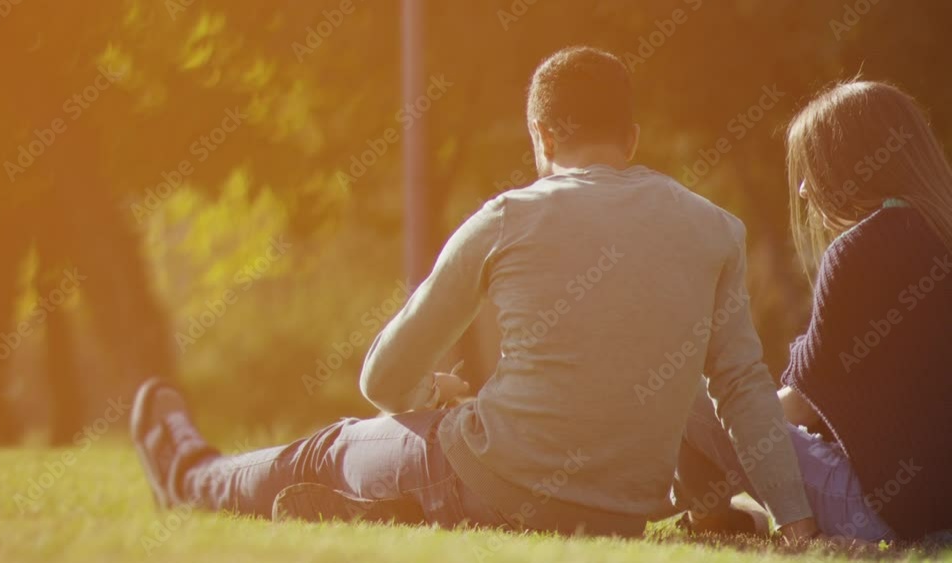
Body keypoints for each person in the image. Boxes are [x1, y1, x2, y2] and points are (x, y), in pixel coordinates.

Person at [131, 46, 820, 540]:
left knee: (325, 447)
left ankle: (188, 473)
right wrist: (797, 521)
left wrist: (436, 391)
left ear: (543, 137)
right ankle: (398, 507)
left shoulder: (510, 216)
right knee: (442, 453)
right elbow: (744, 388)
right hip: (619, 513)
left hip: (493, 478)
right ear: (633, 138)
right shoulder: (714, 230)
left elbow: (382, 379)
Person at [677, 80, 952, 543]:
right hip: (933, 510)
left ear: (851, 166)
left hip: (879, 514)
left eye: (813, 169)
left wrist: (724, 407)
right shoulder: (937, 232)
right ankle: (718, 516)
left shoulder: (860, 250)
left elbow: (800, 407)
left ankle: (709, 515)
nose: (804, 190)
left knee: (685, 393)